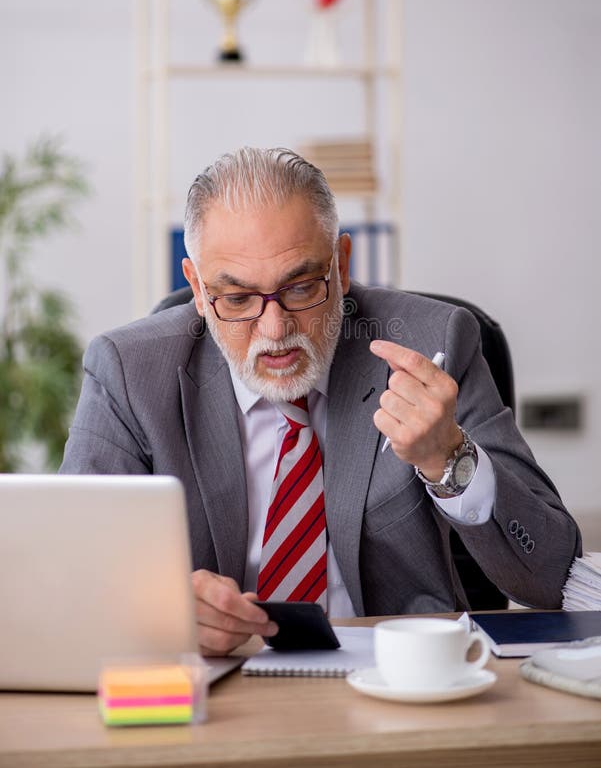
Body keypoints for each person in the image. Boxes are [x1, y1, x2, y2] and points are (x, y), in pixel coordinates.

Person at [61, 146, 581, 656]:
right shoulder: (128, 373)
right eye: (237, 298)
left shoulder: (434, 344)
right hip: (218, 682)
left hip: (396, 679)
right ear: (198, 288)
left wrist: (450, 459)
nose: (275, 329)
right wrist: (161, 608)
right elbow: (72, 577)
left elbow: (554, 578)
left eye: (301, 287)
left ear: (341, 265)